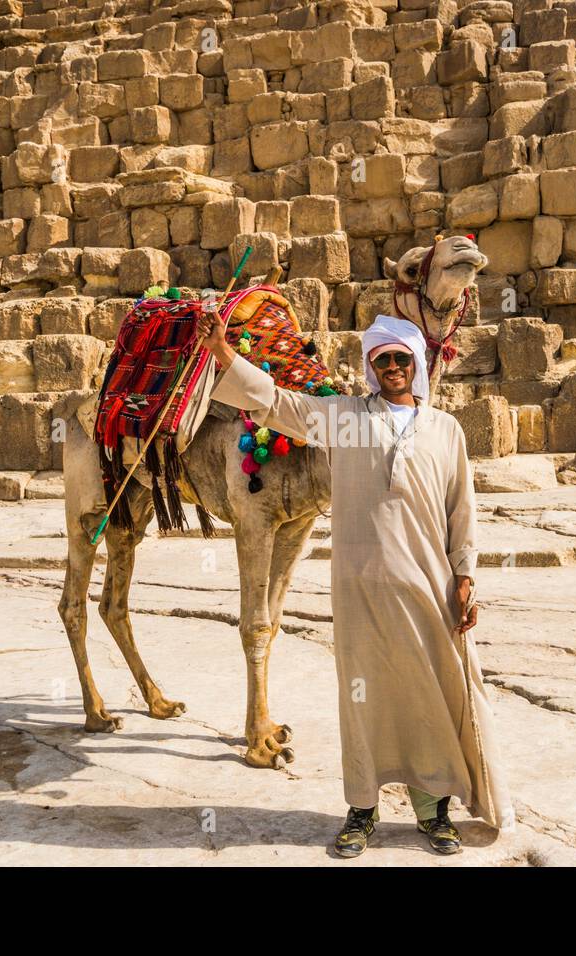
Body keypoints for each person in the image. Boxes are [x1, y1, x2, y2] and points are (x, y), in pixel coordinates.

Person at [197, 310, 512, 857]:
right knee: (363, 699)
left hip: (429, 588)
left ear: (416, 366)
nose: (392, 366)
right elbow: (276, 402)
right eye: (382, 359)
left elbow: (463, 509)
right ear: (370, 366)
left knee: (428, 698)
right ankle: (362, 808)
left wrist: (465, 576)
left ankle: (432, 810)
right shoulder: (344, 420)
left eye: (401, 358)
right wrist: (224, 354)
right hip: (360, 589)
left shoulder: (445, 430)